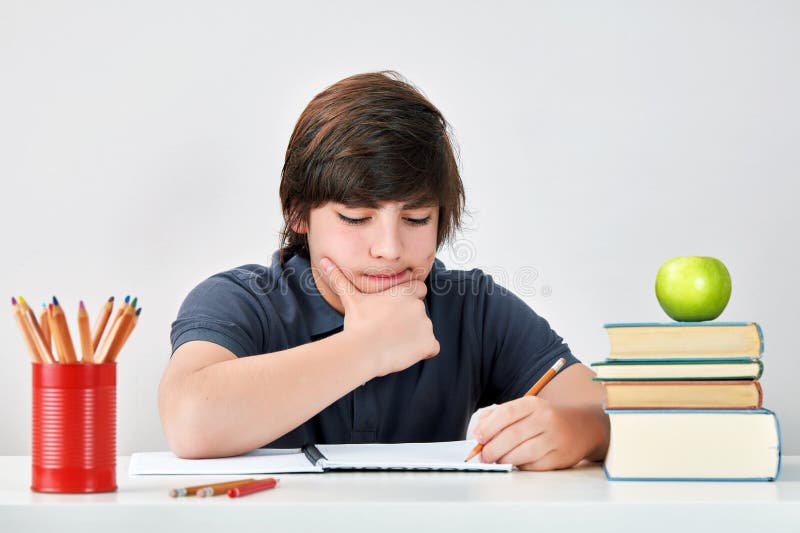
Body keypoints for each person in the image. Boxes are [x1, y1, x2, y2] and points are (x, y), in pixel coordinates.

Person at [158, 70, 609, 471]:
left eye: (417, 220)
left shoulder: (474, 307)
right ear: (298, 215)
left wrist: (581, 431)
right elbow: (190, 421)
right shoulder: (242, 300)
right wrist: (367, 347)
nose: (390, 249)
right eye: (355, 218)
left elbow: (623, 412)